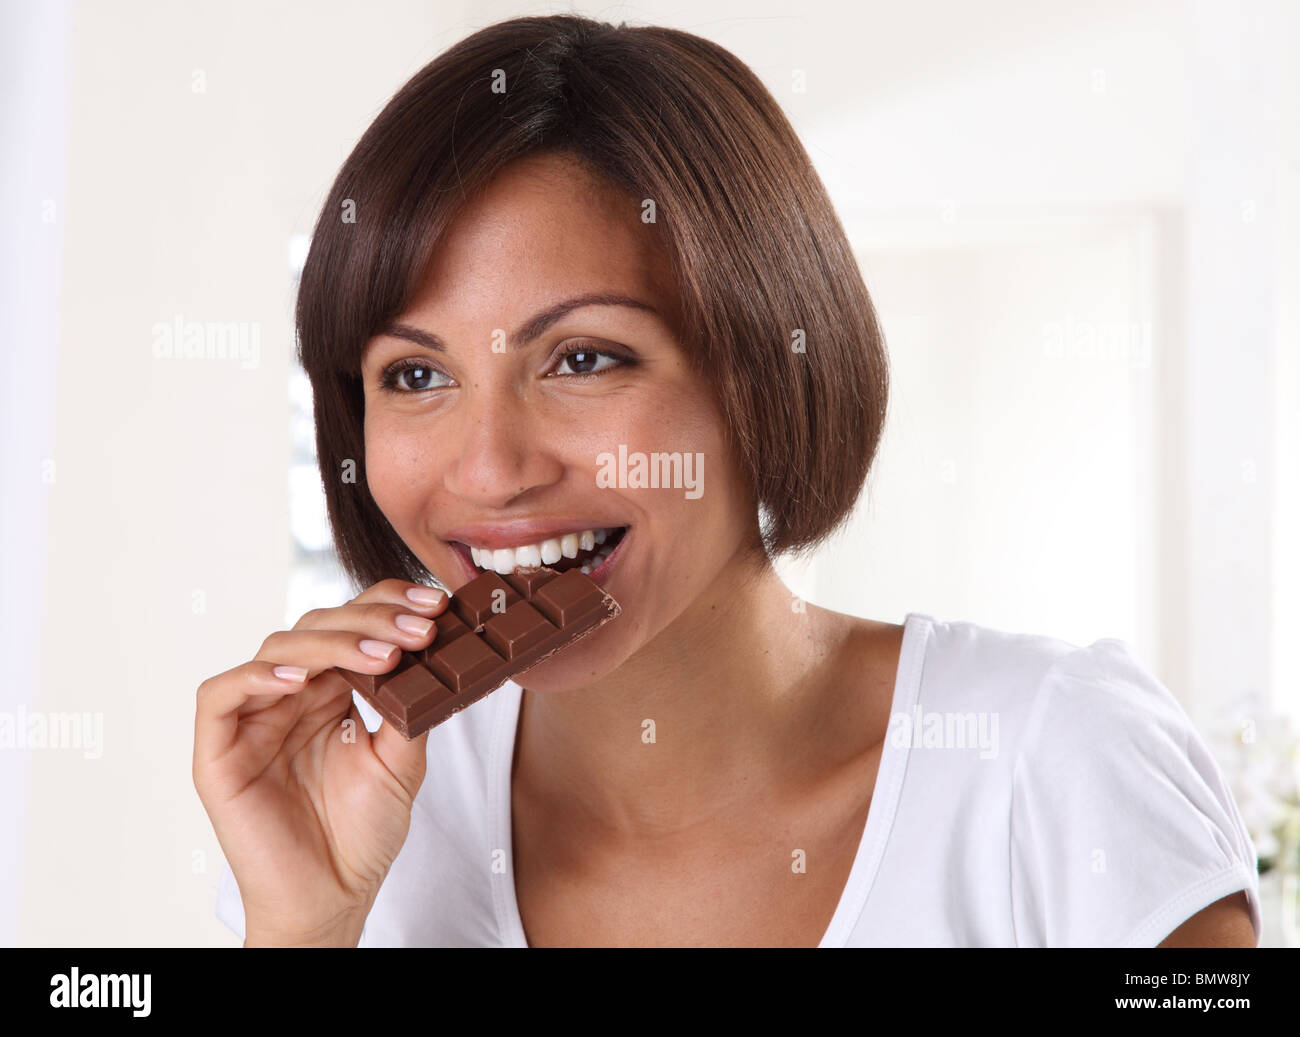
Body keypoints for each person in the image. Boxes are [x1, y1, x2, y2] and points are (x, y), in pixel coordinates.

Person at [193, 14, 1261, 947]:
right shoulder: (357, 817)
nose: (489, 468)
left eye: (582, 357)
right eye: (416, 374)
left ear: (762, 369)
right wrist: (303, 928)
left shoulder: (1052, 763)